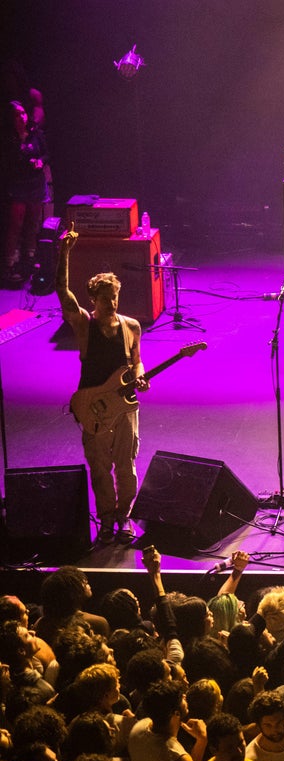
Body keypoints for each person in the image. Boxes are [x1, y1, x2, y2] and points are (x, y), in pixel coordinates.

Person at [55, 225, 147, 545]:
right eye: (106, 298)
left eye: (115, 296)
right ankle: (106, 520)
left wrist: (141, 375)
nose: (112, 302)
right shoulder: (85, 324)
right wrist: (64, 253)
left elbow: (137, 360)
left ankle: (124, 518)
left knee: (127, 464)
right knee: (99, 466)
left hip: (125, 405)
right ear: (93, 298)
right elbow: (63, 295)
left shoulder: (131, 326)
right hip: (94, 405)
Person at [3, 99, 48, 288]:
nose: (21, 117)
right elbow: (7, 163)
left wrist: (40, 161)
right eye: (17, 114)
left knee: (33, 222)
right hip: (18, 185)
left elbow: (46, 154)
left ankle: (29, 258)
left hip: (35, 184)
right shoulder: (8, 139)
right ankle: (10, 264)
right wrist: (24, 162)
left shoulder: (36, 134)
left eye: (23, 113)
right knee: (16, 224)